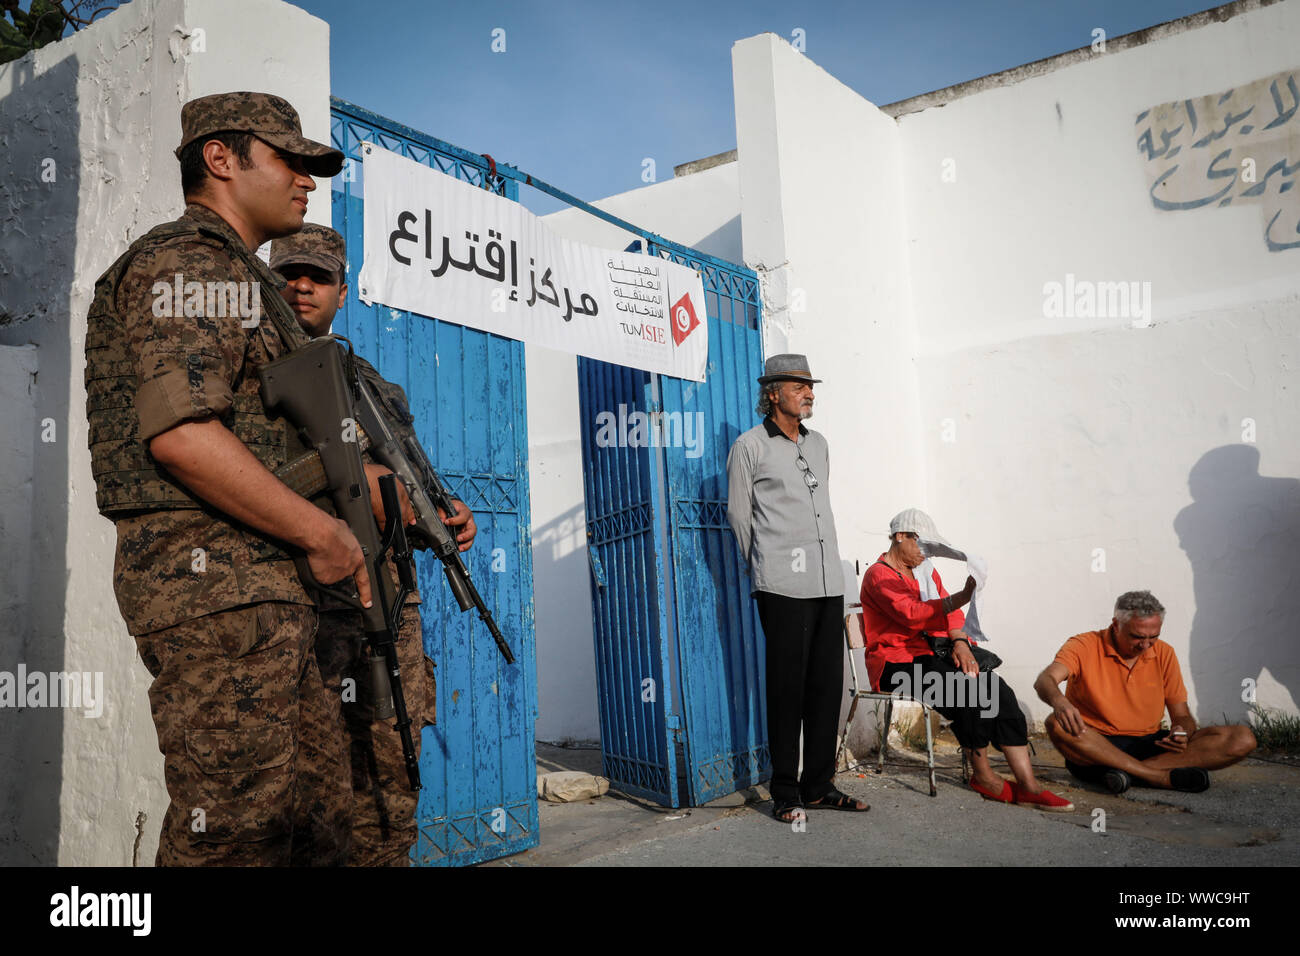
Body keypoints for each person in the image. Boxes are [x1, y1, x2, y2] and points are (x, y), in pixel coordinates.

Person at [84, 91, 361, 865]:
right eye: (289, 160)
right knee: (234, 835)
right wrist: (323, 533)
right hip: (213, 591)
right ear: (221, 158)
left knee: (315, 825)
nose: (307, 180)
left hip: (266, 592)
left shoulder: (245, 282)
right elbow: (182, 435)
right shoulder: (190, 262)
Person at [269, 225, 477, 865]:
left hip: (389, 605)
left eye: (319, 277)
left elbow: (406, 476)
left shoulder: (374, 383)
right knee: (313, 787)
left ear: (342, 292)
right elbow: (250, 474)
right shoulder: (258, 366)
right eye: (289, 273)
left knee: (393, 768)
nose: (302, 286)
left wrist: (437, 513)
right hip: (304, 605)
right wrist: (349, 479)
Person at [726, 354, 868, 822]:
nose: (809, 393)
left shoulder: (820, 443)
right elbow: (739, 516)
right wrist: (765, 567)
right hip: (782, 586)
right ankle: (784, 791)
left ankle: (820, 785)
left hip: (828, 583)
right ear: (773, 393)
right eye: (799, 386)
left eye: (811, 386)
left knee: (827, 688)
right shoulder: (750, 446)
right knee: (787, 689)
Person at [859, 510, 1074, 811]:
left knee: (997, 690)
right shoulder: (878, 575)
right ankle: (983, 775)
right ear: (900, 536)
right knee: (967, 691)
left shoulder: (925, 571)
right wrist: (963, 596)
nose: (926, 554)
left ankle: (1028, 785)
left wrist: (961, 643)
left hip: (934, 653)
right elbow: (912, 614)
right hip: (894, 664)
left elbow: (950, 615)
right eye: (922, 545)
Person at [1034, 590, 1257, 794]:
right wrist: (1059, 701)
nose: (1146, 645)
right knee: (1057, 723)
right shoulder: (1084, 645)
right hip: (1094, 746)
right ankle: (1157, 777)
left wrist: (1182, 732)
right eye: (1137, 637)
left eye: (1154, 637)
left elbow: (1182, 715)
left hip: (1153, 745)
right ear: (1115, 624)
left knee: (1241, 738)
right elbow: (1046, 679)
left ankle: (1128, 774)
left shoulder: (1164, 653)